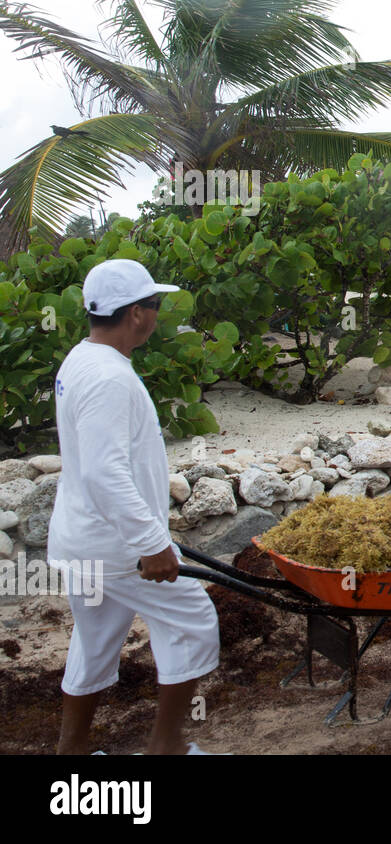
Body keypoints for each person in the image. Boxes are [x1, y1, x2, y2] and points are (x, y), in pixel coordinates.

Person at [48, 259, 221, 755]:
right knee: (191, 620)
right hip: (115, 548)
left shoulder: (81, 360)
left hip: (82, 539)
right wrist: (151, 544)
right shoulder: (110, 379)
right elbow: (106, 473)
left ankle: (73, 752)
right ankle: (166, 748)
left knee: (94, 639)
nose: (157, 314)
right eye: (155, 305)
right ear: (136, 315)